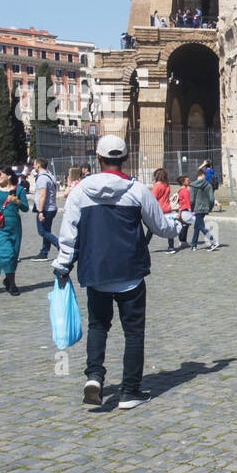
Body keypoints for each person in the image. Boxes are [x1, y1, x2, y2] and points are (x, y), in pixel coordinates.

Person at [51, 135, 180, 409]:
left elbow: (68, 233)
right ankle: (130, 391)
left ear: (98, 158)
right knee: (133, 333)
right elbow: (160, 226)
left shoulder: (80, 191)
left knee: (98, 326)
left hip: (95, 272)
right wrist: (179, 225)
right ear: (126, 158)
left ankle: (94, 378)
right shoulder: (137, 190)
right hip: (130, 272)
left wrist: (63, 265)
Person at [0, 167, 30, 295]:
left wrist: (17, 201)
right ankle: (12, 285)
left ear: (8, 176)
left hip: (14, 226)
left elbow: (25, 208)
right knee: (6, 253)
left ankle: (8, 279)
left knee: (13, 254)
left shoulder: (19, 190)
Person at [31, 158, 60, 261]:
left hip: (45, 209)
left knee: (42, 231)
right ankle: (44, 252)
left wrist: (40, 211)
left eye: (34, 164)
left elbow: (42, 195)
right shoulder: (50, 176)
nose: (33, 166)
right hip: (51, 207)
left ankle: (59, 245)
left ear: (38, 165)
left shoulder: (42, 178)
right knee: (47, 231)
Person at [188, 167, 219, 250]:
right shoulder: (208, 185)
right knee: (197, 227)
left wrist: (192, 209)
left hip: (197, 208)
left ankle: (213, 241)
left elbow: (191, 200)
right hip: (205, 208)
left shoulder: (192, 185)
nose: (205, 177)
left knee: (201, 226)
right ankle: (193, 245)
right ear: (202, 175)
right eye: (205, 175)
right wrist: (209, 208)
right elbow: (211, 199)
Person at [151, 168, 176, 252]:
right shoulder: (167, 185)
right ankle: (171, 246)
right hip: (167, 208)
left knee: (151, 228)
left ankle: (145, 244)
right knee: (169, 227)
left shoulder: (157, 185)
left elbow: (153, 199)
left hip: (159, 209)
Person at [172, 175, 192, 250]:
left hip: (180, 209)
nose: (189, 181)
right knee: (185, 226)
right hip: (185, 209)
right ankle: (183, 241)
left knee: (183, 225)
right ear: (183, 182)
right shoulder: (186, 190)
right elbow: (187, 201)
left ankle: (182, 241)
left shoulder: (180, 190)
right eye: (187, 180)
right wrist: (190, 209)